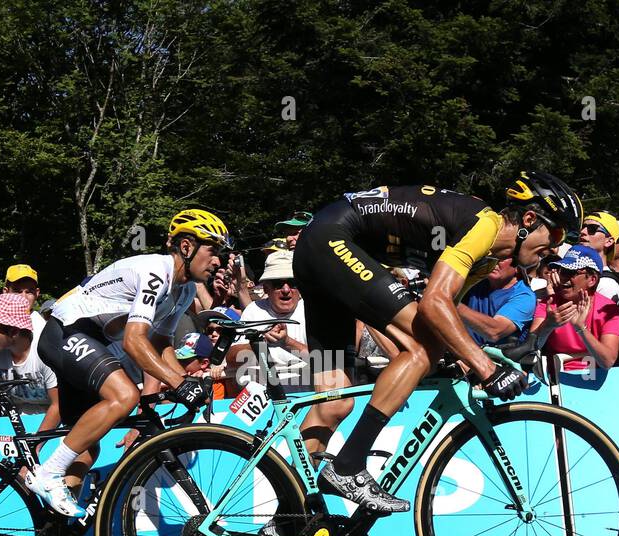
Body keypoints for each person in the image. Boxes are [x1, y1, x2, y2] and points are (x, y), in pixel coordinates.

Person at [294, 173, 580, 511]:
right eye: (558, 232)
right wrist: (486, 369)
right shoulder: (484, 226)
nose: (557, 247)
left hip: (319, 252)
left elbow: (443, 321)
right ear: (528, 220)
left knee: (332, 402)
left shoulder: (485, 259)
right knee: (420, 348)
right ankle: (349, 466)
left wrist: (475, 358)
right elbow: (434, 302)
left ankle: (291, 513)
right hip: (333, 240)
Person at [30, 209, 228, 516]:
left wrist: (186, 382)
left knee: (87, 446)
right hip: (66, 332)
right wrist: (177, 383)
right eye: (213, 250)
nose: (219, 260)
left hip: (87, 340)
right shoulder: (156, 271)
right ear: (187, 247)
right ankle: (46, 474)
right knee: (124, 395)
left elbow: (160, 343)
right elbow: (134, 341)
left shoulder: (185, 289)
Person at [0, 292, 61, 461]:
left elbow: (58, 406)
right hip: (16, 418)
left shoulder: (45, 351)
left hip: (50, 418)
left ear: (13, 331)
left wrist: (35, 447)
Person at [530, 246, 619, 370]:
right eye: (562, 271)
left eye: (571, 272)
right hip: (555, 375)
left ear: (592, 280)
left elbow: (608, 361)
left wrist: (580, 329)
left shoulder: (608, 309)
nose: (563, 278)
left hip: (593, 375)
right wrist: (548, 325)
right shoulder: (549, 304)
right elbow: (530, 348)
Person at [231, 250, 309, 388]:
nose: (286, 289)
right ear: (266, 288)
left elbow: (330, 361)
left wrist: (287, 342)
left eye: (292, 283)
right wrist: (260, 343)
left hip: (304, 392)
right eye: (278, 284)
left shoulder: (312, 311)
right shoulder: (253, 310)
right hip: (261, 394)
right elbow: (231, 358)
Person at [457, 253, 535, 346]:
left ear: (517, 268)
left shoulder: (525, 297)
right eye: (492, 258)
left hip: (491, 358)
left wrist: (451, 303)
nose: (494, 262)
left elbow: (495, 331)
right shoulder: (476, 280)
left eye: (501, 259)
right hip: (458, 351)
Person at [577, 210, 619, 300]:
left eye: (592, 229)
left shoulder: (607, 284)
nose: (583, 231)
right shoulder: (570, 271)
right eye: (582, 227)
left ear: (609, 241)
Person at [3, 263, 46, 338]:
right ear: (5, 292)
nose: (23, 297)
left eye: (29, 292)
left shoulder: (42, 330)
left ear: (36, 293)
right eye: (17, 291)